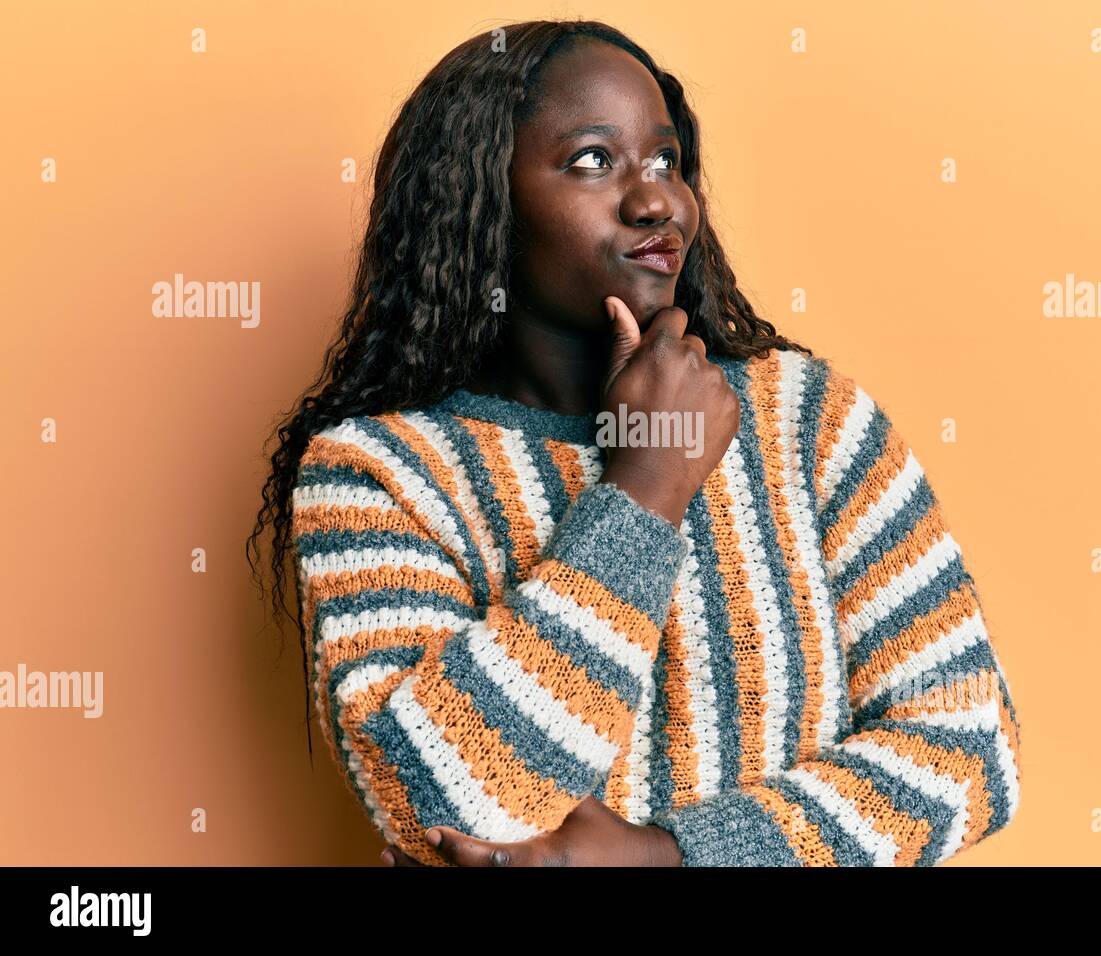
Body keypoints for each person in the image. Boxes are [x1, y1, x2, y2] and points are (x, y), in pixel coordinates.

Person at [247, 18, 1023, 867]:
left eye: (666, 160)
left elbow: (970, 745)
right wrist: (646, 484)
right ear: (478, 200)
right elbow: (440, 806)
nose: (656, 199)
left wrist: (667, 857)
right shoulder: (375, 471)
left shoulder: (807, 421)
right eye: (591, 159)